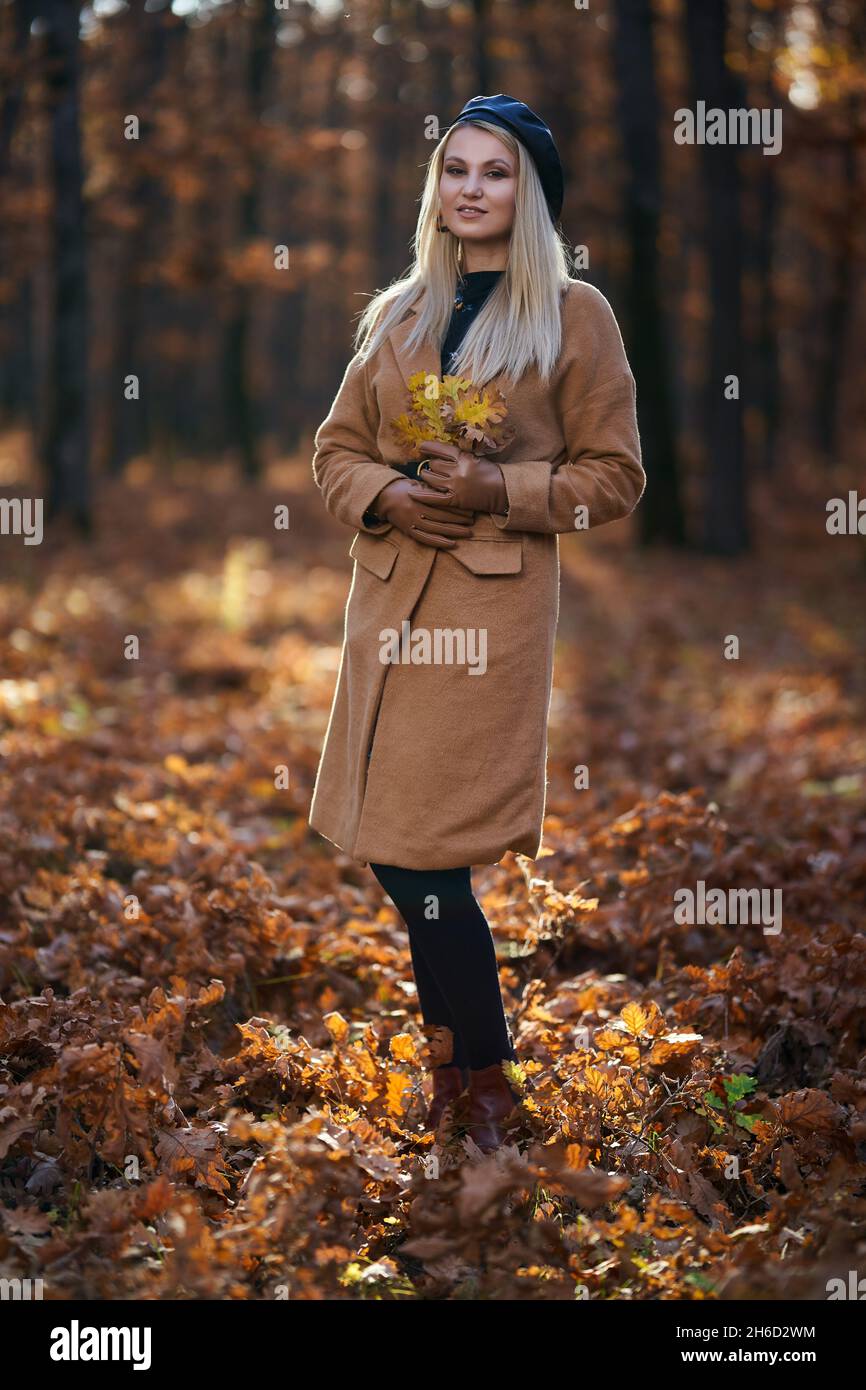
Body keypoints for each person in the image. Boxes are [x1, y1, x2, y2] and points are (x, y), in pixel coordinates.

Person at [308, 94, 645, 1152]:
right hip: (389, 603)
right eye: (455, 168)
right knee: (396, 850)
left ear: (528, 192)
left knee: (423, 852)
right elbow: (332, 453)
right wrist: (389, 495)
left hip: (486, 616)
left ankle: (481, 1090)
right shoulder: (400, 311)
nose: (470, 189)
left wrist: (500, 487)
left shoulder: (573, 314)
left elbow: (616, 478)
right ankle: (470, 1080)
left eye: (494, 172)